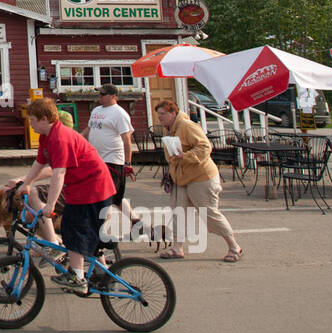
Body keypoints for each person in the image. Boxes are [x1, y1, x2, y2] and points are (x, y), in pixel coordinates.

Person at [16, 98, 117, 293]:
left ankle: (77, 277)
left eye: (33, 120)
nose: (30, 124)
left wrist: (50, 205)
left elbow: (58, 172)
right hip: (81, 189)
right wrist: (26, 183)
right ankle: (102, 273)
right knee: (86, 232)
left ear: (44, 119)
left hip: (93, 188)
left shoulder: (60, 138)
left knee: (74, 229)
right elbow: (39, 162)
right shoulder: (47, 136)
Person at [154, 99, 242, 262]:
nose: (160, 117)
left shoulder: (187, 126)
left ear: (173, 113)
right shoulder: (170, 130)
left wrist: (185, 156)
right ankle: (177, 247)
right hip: (181, 178)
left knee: (209, 213)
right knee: (178, 213)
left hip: (201, 177)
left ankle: (233, 246)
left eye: (163, 114)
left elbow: (205, 147)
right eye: (158, 114)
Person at [83, 83, 135, 208]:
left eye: (103, 94)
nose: (99, 96)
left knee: (107, 197)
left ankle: (99, 225)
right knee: (111, 197)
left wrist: (127, 163)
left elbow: (127, 140)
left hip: (112, 160)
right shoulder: (96, 110)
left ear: (113, 96)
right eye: (99, 93)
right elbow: (88, 130)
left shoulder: (119, 113)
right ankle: (134, 220)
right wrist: (75, 140)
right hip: (97, 159)